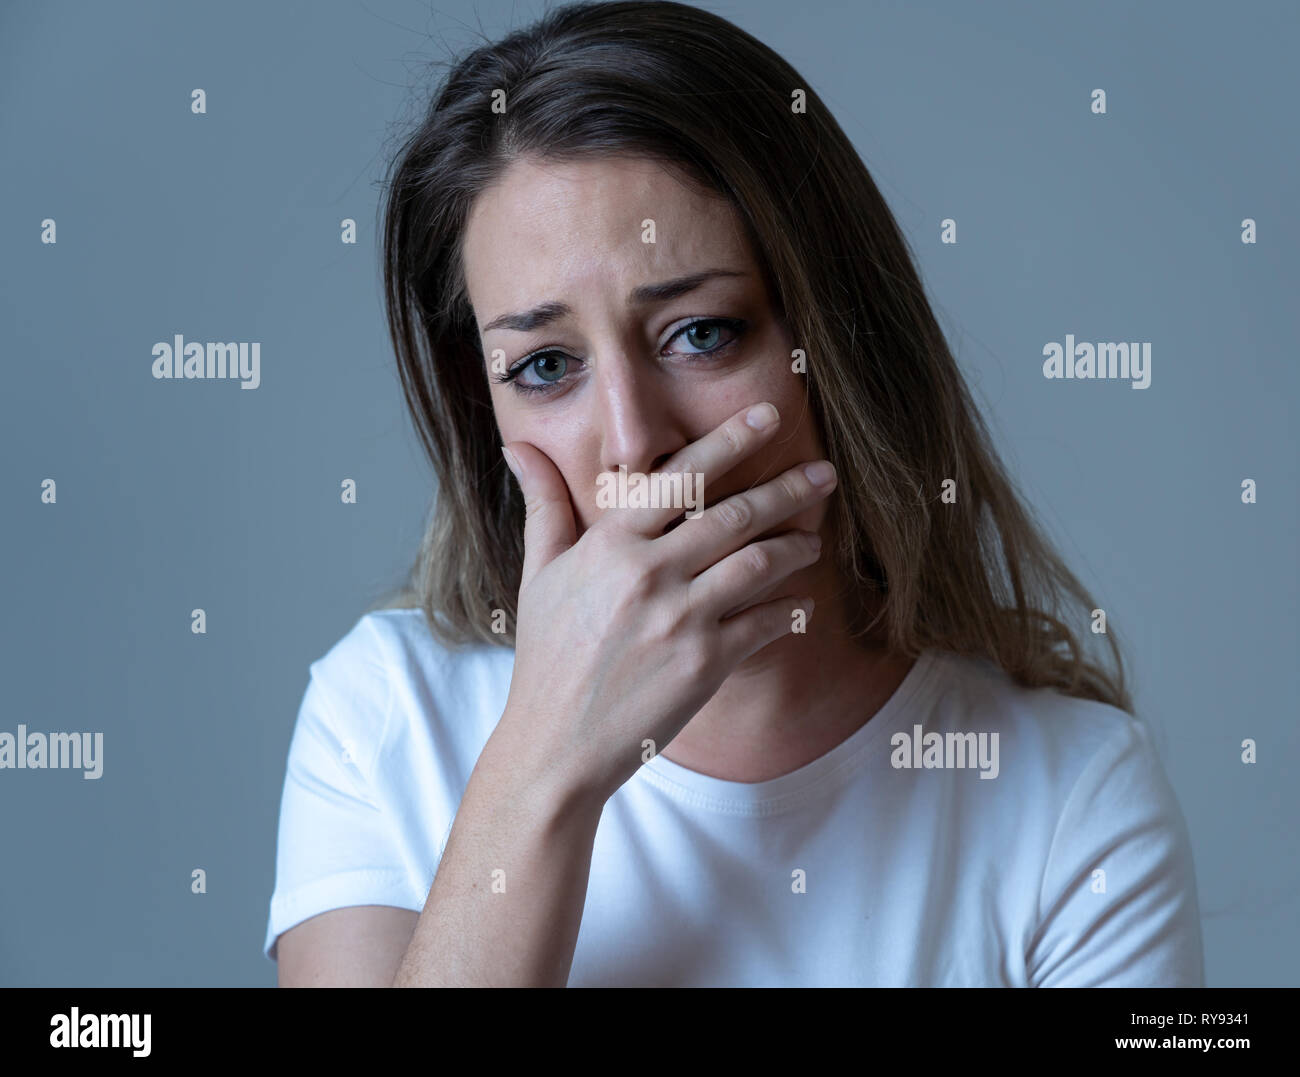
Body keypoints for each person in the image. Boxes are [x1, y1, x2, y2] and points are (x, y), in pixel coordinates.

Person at [264, 0, 1203, 987]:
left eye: (700, 333)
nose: (635, 438)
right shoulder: (383, 719)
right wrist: (546, 763)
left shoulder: (1071, 799)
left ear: (836, 346)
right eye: (544, 366)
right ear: (478, 400)